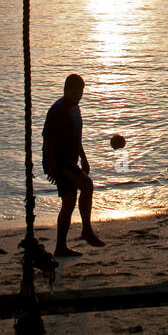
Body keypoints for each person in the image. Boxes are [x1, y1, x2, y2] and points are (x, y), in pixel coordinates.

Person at [42, 73, 105, 257]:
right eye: (75, 91)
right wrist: (53, 165)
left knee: (69, 202)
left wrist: (84, 158)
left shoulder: (76, 108)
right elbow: (48, 140)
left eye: (81, 91)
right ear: (66, 90)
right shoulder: (58, 110)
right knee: (87, 185)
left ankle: (60, 247)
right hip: (59, 161)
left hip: (70, 160)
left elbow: (77, 137)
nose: (79, 95)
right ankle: (86, 230)